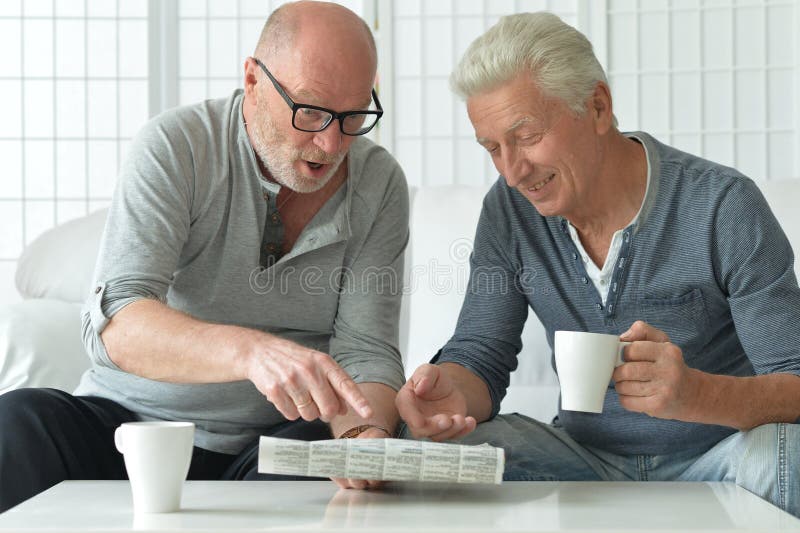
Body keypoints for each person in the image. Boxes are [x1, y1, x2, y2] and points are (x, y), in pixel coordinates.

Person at [0, 0, 408, 512]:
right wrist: (249, 353)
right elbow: (116, 322)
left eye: (353, 116)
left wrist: (362, 438)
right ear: (255, 81)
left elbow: (366, 352)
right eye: (311, 111)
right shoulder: (177, 146)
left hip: (277, 439)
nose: (330, 142)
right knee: (16, 420)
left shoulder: (380, 183)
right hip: (131, 424)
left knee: (319, 480)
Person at [395, 12, 800, 517]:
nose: (512, 170)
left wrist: (696, 394)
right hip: (581, 457)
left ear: (598, 107)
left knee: (791, 454)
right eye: (493, 147)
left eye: (526, 135)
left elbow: (794, 382)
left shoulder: (723, 204)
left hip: (717, 456)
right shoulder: (509, 210)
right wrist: (448, 397)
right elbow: (481, 355)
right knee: (425, 458)